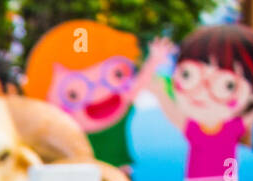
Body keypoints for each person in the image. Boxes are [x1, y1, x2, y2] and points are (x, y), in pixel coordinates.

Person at [146, 26, 253, 181]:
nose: (201, 92)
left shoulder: (231, 128)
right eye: (189, 75)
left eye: (225, 84)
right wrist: (160, 91)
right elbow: (171, 111)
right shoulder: (193, 128)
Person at [24, 20, 163, 171]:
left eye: (116, 74)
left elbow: (138, 86)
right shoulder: (64, 127)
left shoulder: (124, 100)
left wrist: (154, 61)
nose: (98, 93)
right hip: (81, 174)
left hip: (119, 173)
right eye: (73, 94)